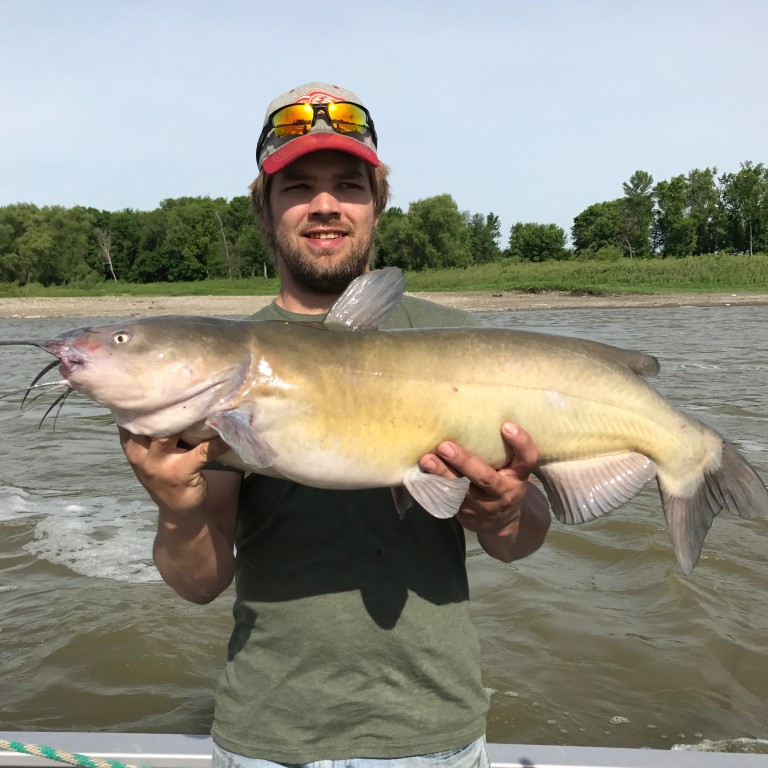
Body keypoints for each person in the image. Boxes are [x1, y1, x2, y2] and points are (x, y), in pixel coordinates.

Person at [119, 82, 551, 768]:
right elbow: (200, 582)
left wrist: (501, 515)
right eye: (298, 187)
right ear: (264, 209)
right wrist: (176, 510)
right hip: (268, 737)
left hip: (435, 733)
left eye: (348, 185)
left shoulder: (465, 344)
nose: (325, 206)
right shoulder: (216, 364)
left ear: (378, 202)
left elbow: (520, 542)